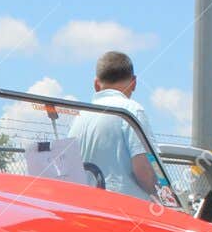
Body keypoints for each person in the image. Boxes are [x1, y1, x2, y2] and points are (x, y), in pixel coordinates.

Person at [67, 51, 161, 201]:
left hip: (87, 208)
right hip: (125, 211)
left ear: (96, 84)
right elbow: (144, 170)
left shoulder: (79, 118)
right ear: (134, 83)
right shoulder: (131, 111)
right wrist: (164, 199)